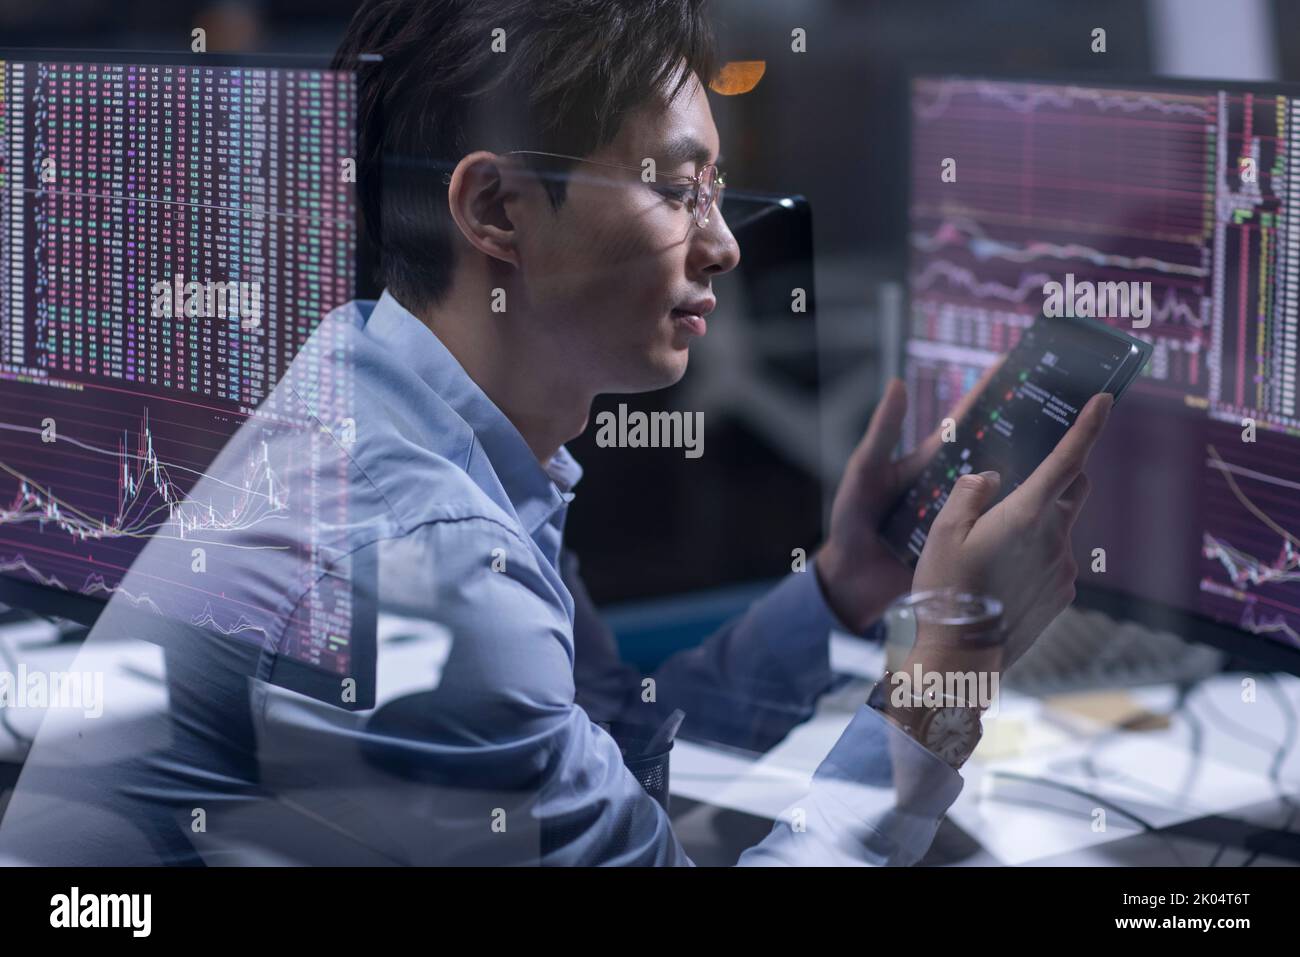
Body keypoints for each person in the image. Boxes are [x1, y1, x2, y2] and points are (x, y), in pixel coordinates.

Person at [0, 0, 1110, 866]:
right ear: (493, 212)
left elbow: (600, 753)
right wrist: (947, 680)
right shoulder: (421, 562)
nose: (722, 245)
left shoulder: (389, 390)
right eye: (677, 189)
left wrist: (843, 588)